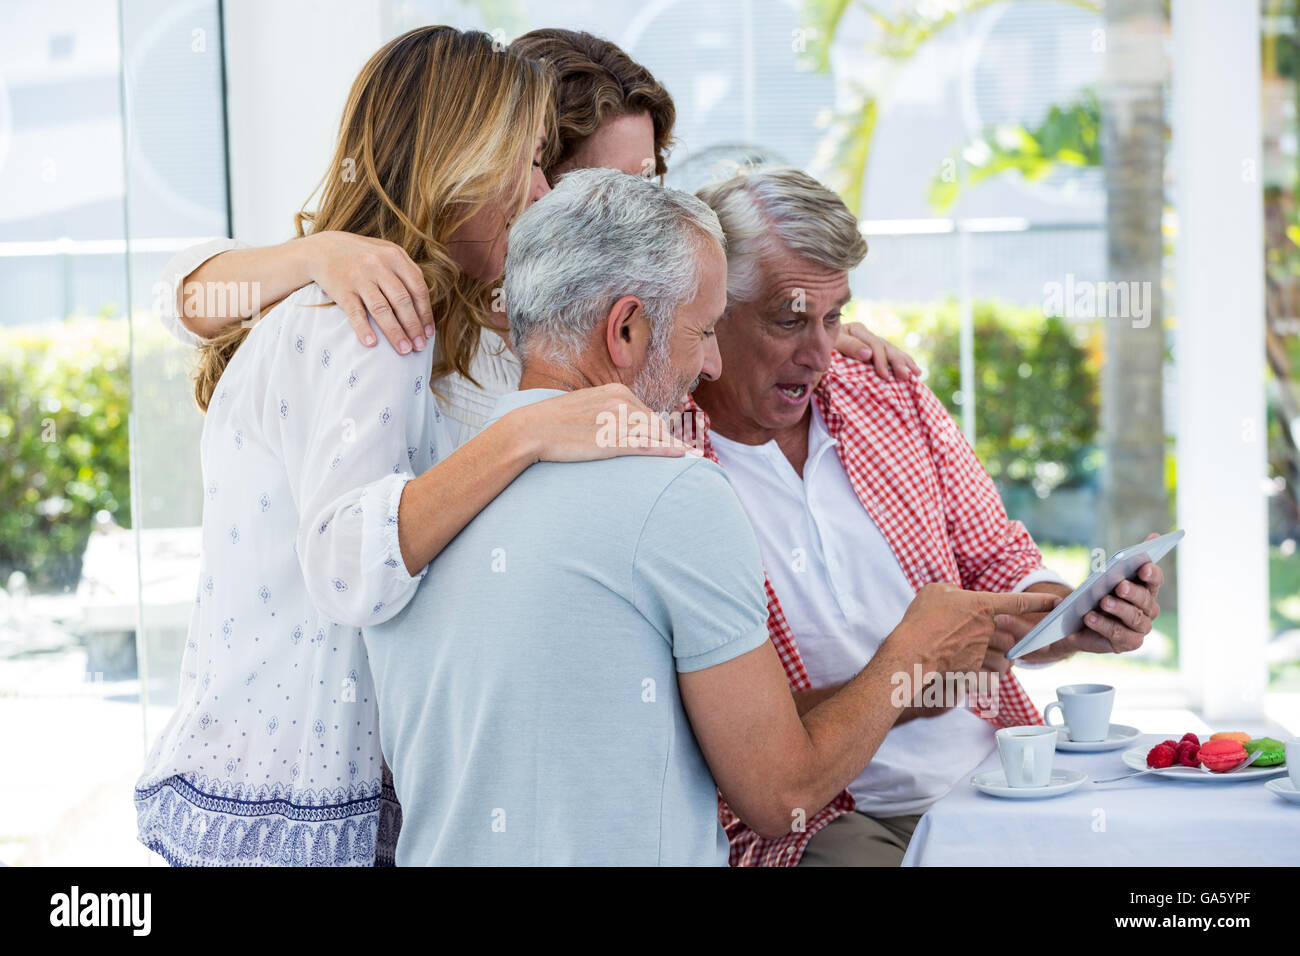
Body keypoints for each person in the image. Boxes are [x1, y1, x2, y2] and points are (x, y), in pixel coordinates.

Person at [362, 167, 1058, 866]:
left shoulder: (412, 506)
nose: (714, 362)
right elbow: (780, 795)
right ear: (627, 329)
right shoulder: (674, 493)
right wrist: (911, 657)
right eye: (704, 329)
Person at [133, 26, 686, 868]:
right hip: (311, 790)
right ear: (457, 156)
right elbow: (349, 563)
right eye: (532, 166)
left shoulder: (431, 312)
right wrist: (528, 435)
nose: (544, 197)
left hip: (255, 772)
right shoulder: (374, 317)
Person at [681, 165, 1166, 866]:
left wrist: (1082, 617)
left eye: (835, 316)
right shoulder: (670, 464)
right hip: (821, 822)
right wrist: (907, 683)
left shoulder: (889, 396)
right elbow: (737, 746)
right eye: (788, 320)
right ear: (712, 309)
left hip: (992, 772)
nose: (819, 355)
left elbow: (1000, 569)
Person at [153, 28, 916, 441]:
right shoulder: (401, 315)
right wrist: (317, 252)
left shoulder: (622, 318)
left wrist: (786, 331)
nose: (641, 207)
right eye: (605, 186)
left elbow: (693, 345)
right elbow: (183, 294)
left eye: (649, 179)